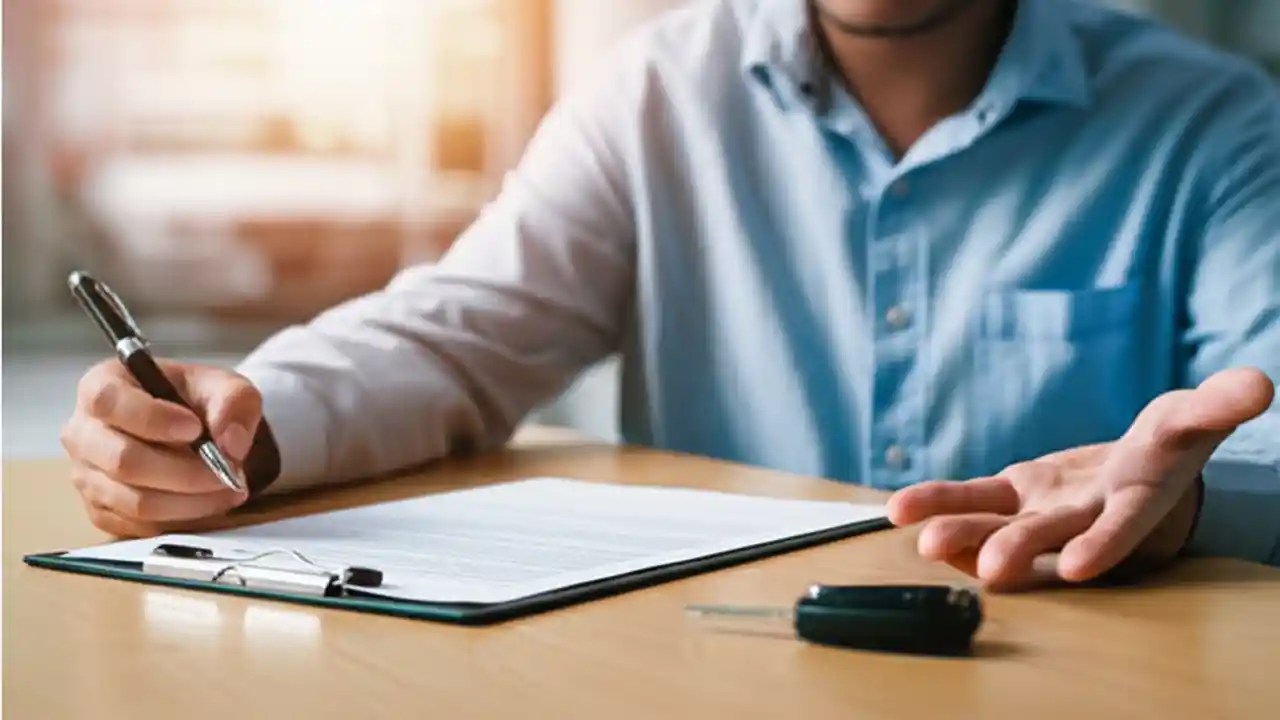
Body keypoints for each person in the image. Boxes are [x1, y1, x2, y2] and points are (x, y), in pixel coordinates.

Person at [60, 0, 1279, 588]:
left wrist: (1180, 506)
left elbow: (1257, 419)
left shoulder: (1213, 124)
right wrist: (246, 427)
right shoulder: (653, 92)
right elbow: (455, 336)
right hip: (704, 675)